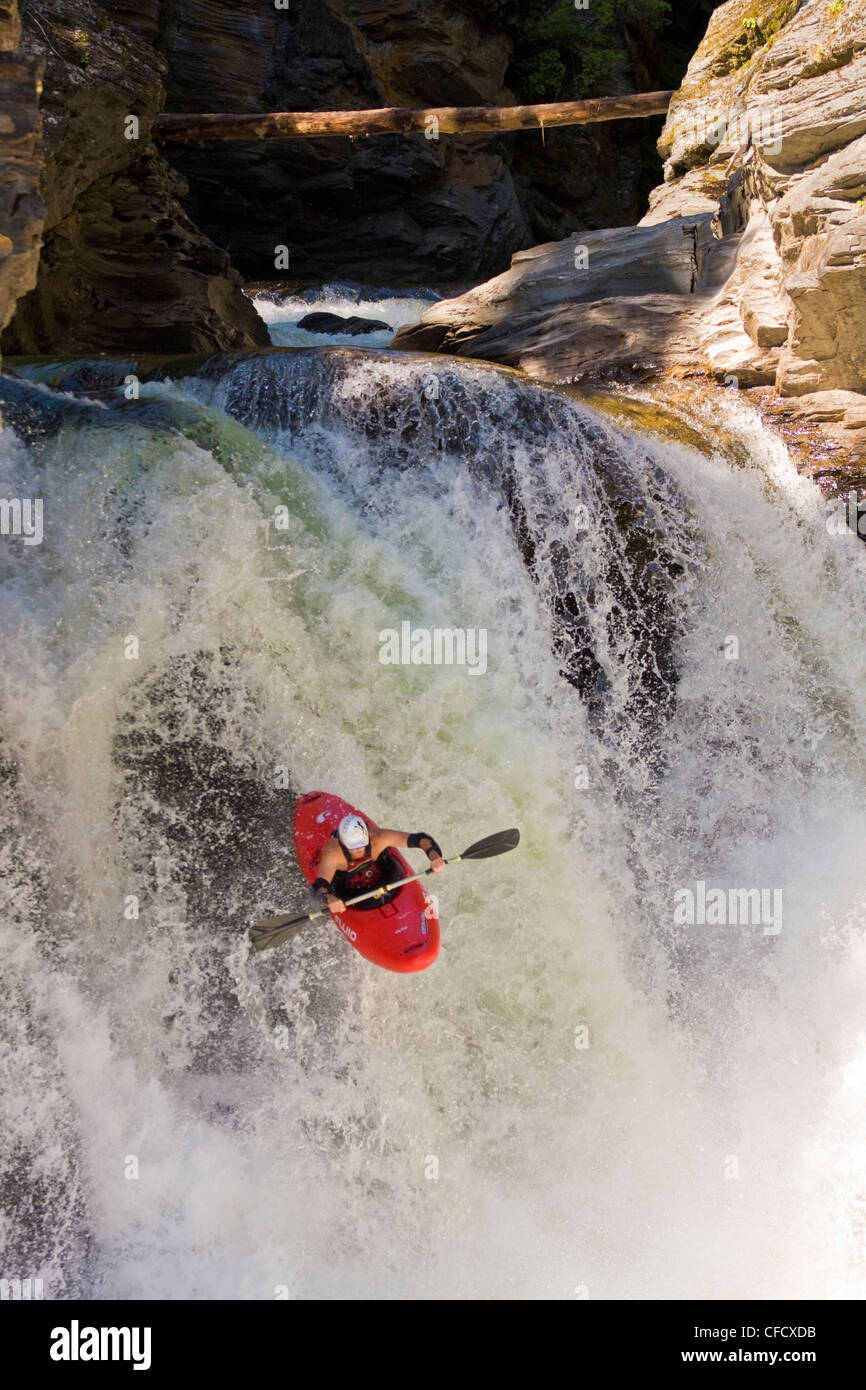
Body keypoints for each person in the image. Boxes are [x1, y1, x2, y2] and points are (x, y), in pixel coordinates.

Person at [312, 814, 445, 914]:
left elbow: (421, 839)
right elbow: (320, 885)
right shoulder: (333, 853)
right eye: (352, 847)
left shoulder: (379, 838)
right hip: (352, 893)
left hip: (388, 879)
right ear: (342, 842)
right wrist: (329, 897)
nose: (358, 850)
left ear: (367, 837)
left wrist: (434, 857)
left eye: (361, 844)